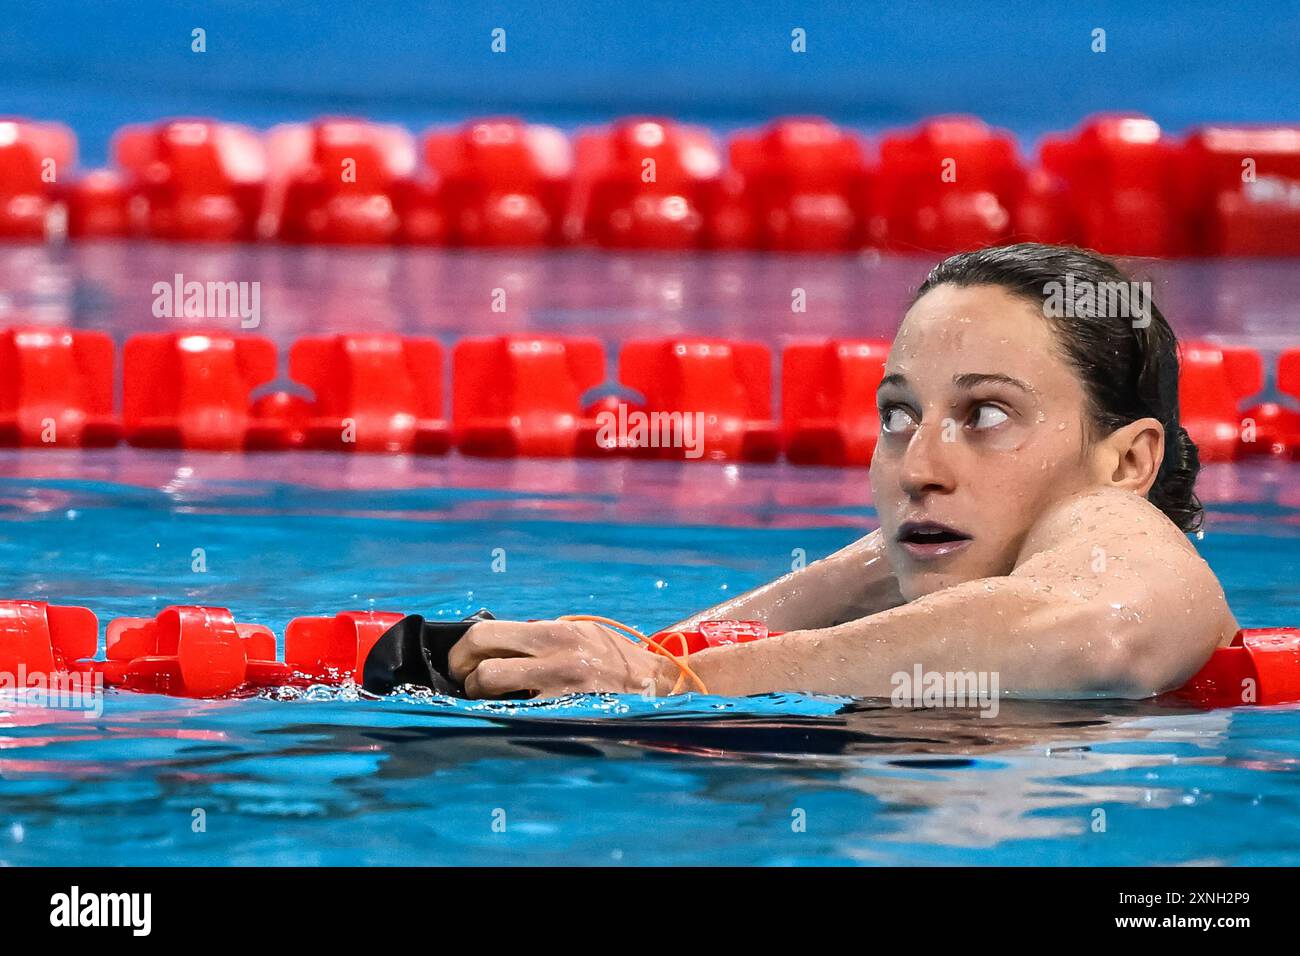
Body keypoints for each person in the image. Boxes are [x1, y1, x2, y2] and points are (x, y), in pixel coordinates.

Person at [449, 243, 1239, 700]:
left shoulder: (1119, 528)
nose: (918, 468)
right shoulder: (942, 574)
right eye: (898, 417)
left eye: (987, 416)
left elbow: (1100, 636)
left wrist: (673, 685)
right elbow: (676, 649)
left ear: (1129, 458)